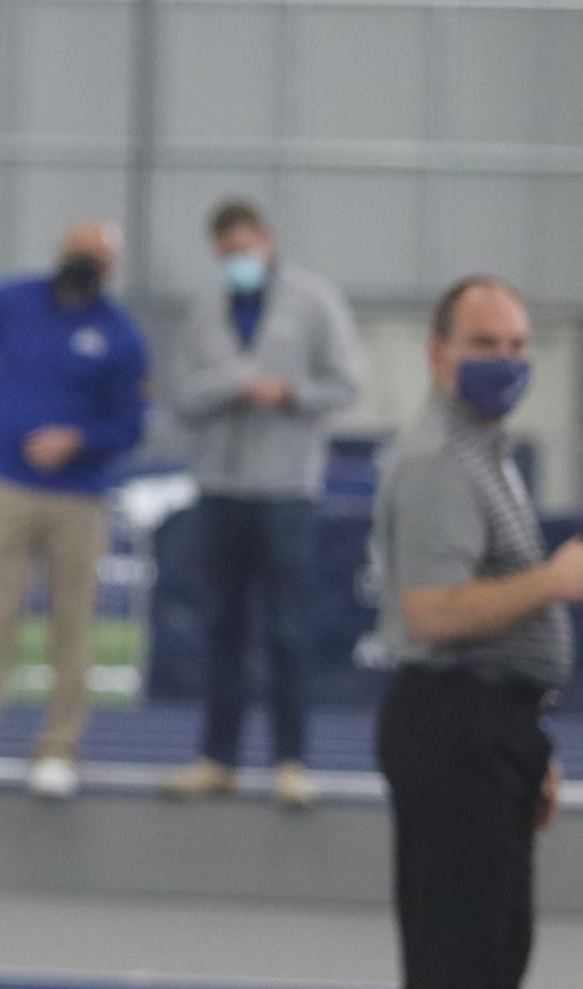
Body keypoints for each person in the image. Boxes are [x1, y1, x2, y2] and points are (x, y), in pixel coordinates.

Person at [373, 276, 580, 989]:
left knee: (493, 953)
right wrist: (553, 580)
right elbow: (432, 611)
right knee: (461, 964)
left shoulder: (485, 448)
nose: (506, 358)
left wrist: (526, 742)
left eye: (518, 344)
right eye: (485, 343)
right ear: (439, 354)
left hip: (491, 727)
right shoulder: (438, 459)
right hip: (455, 725)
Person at [160, 198, 364, 808]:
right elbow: (185, 396)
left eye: (245, 250)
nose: (236, 263)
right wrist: (233, 383)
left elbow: (346, 383)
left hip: (287, 492)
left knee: (288, 630)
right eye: (225, 255)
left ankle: (290, 760)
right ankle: (218, 757)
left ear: (267, 242)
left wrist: (289, 392)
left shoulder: (315, 301)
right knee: (222, 627)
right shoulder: (205, 310)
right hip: (220, 488)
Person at [0, 221, 148, 799]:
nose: (85, 262)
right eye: (78, 252)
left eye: (97, 256)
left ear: (110, 267)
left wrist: (77, 440)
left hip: (78, 496)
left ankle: (59, 748)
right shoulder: (8, 303)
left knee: (72, 623)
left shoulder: (120, 336)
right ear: (60, 252)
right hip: (6, 483)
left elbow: (130, 424)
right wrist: (3, 416)